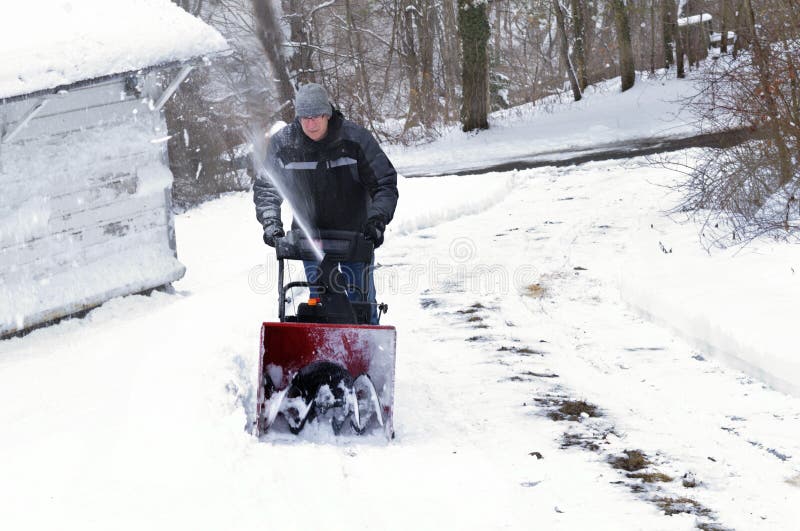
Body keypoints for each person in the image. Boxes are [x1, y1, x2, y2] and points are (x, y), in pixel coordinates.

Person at [253, 83, 399, 324]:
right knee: (321, 304)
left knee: (359, 304)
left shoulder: (355, 140)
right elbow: (267, 187)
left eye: (316, 117)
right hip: (310, 239)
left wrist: (377, 220)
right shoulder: (285, 144)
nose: (310, 124)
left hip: (354, 237)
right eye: (304, 117)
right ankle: (326, 354)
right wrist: (271, 223)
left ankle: (367, 348)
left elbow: (384, 183)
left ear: (327, 114)